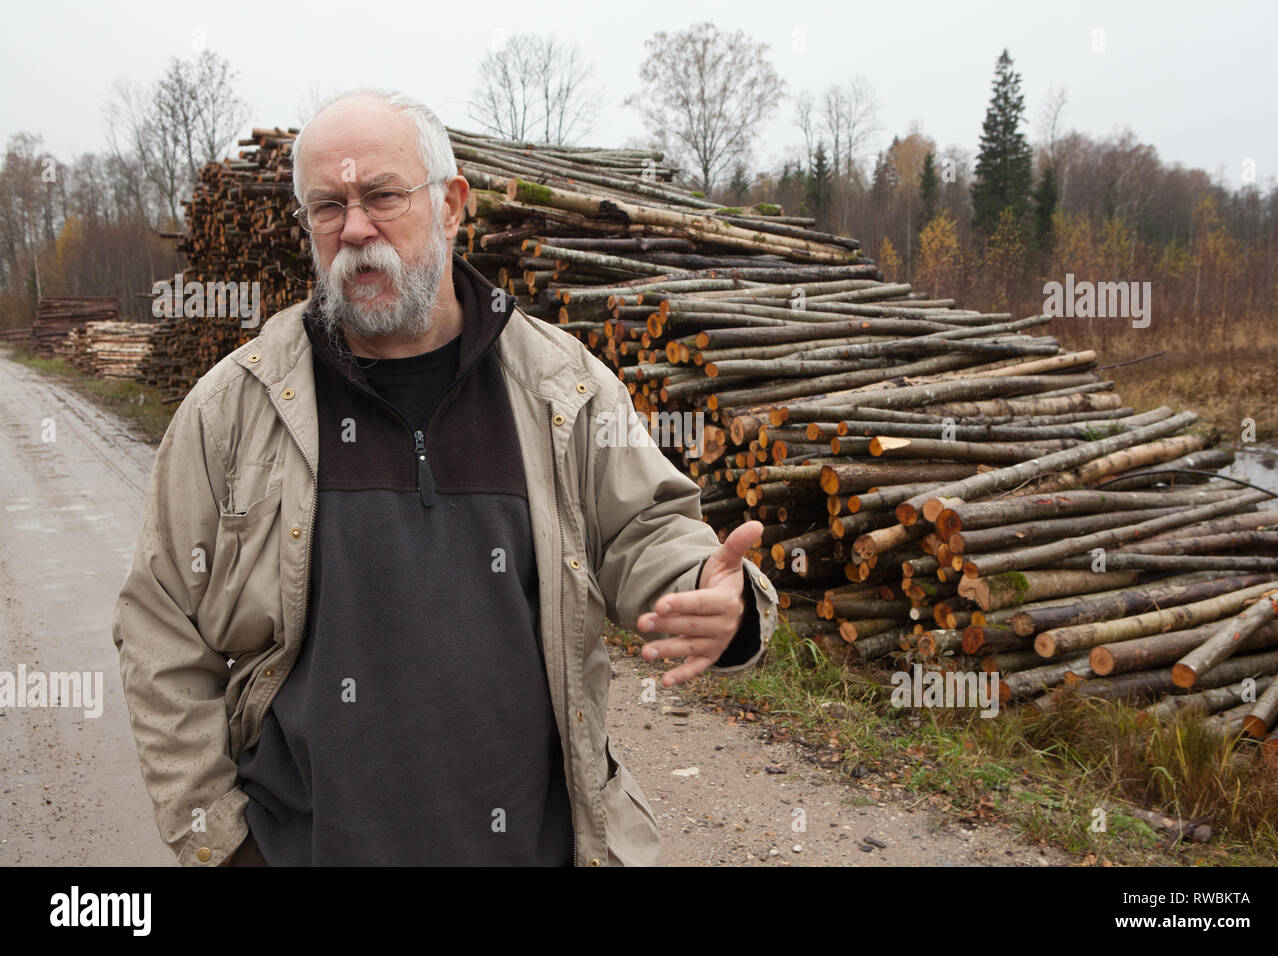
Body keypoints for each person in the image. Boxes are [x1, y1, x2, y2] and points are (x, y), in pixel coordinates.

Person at [111, 88, 778, 867]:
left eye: (382, 196)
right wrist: (222, 845)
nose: (355, 229)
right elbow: (159, 629)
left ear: (453, 203)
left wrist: (707, 586)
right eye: (327, 207)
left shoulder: (560, 384)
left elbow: (644, 528)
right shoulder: (235, 407)